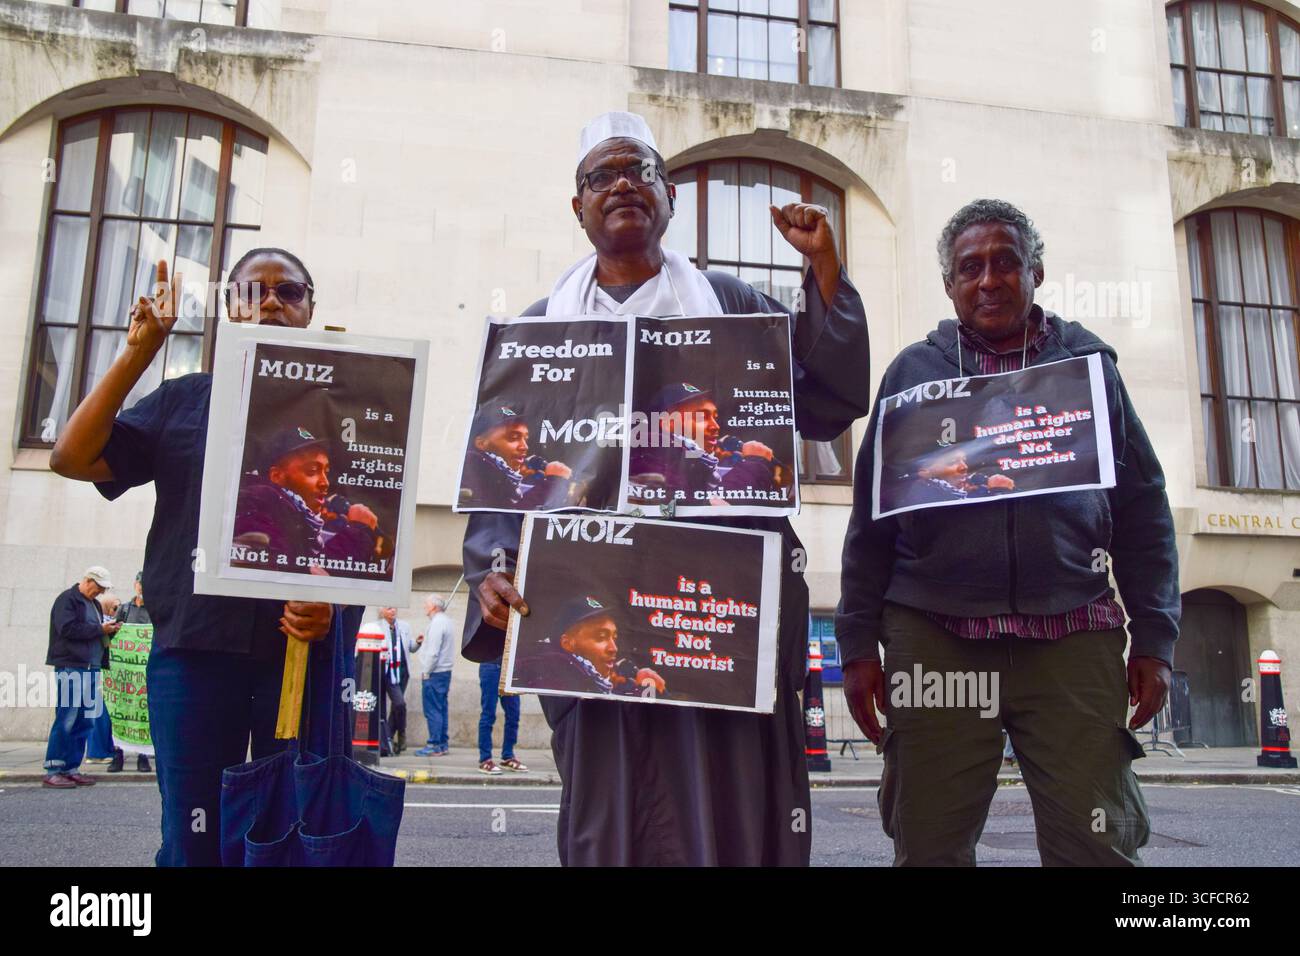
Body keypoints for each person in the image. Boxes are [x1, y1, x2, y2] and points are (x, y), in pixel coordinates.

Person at [462, 111, 872, 863]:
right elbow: (501, 478)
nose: (622, 184)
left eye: (641, 170)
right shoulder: (537, 331)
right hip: (592, 599)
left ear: (670, 197)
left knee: (736, 799)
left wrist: (823, 273)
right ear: (577, 208)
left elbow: (823, 407)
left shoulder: (733, 307)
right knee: (613, 808)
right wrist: (491, 568)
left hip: (715, 611)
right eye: (601, 176)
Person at [836, 198, 1180, 866]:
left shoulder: (1088, 369)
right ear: (949, 284)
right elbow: (870, 523)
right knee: (928, 844)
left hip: (1071, 631)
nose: (989, 280)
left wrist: (1157, 639)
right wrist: (856, 645)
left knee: (1097, 844)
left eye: (1005, 263)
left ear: (1036, 272)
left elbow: (1143, 511)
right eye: (970, 268)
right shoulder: (913, 375)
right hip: (936, 633)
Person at [50, 249, 363, 865]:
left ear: (309, 310)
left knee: (292, 834)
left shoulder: (349, 412)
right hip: (192, 654)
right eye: (252, 291)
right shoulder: (182, 401)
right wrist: (140, 350)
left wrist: (333, 600)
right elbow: (70, 457)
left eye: (289, 291)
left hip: (299, 658)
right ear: (227, 309)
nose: (271, 301)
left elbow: (364, 540)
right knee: (194, 838)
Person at [232, 428, 380, 572]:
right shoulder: (256, 503)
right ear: (276, 476)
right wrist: (360, 531)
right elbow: (303, 578)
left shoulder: (293, 518)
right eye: (312, 471)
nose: (325, 483)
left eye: (326, 472)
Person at [628, 383, 781, 505]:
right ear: (667, 424)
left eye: (715, 417)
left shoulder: (688, 460)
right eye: (702, 417)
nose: (716, 426)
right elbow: (711, 509)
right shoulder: (649, 457)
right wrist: (753, 464)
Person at [42, 567, 119, 788]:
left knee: (85, 719)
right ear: (87, 580)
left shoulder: (93, 604)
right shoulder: (67, 600)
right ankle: (53, 768)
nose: (101, 592)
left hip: (90, 667)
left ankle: (70, 767)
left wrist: (110, 630)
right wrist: (99, 629)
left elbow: (93, 631)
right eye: (99, 587)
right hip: (71, 666)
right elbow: (67, 629)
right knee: (67, 717)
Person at [513, 595, 665, 697]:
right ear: (567, 643)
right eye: (601, 637)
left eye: (614, 637)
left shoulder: (607, 677)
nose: (614, 648)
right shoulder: (555, 673)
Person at [459, 405, 579, 510]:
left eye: (525, 438)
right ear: (481, 443)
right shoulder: (476, 467)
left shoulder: (493, 470)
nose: (524, 447)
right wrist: (554, 480)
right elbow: (511, 515)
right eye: (513, 437)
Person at [413, 595, 454, 757]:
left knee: (433, 710)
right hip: (444, 672)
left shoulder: (437, 623)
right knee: (441, 708)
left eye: (427, 604)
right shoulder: (447, 621)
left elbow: (433, 652)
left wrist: (426, 672)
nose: (425, 607)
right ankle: (442, 743)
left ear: (434, 607)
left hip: (435, 673)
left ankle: (435, 744)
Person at [476, 652, 526, 775]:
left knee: (513, 714)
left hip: (510, 667)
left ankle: (507, 756)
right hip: (491, 665)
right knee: (489, 714)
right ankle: (485, 759)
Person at [375, 606, 416, 754]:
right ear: (382, 611)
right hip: (385, 671)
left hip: (401, 671)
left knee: (398, 705)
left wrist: (417, 643)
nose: (393, 611)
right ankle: (390, 737)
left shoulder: (404, 626)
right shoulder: (377, 627)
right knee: (392, 704)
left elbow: (409, 646)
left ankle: (394, 735)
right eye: (389, 608)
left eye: (394, 608)